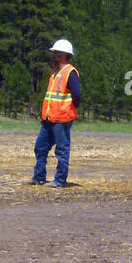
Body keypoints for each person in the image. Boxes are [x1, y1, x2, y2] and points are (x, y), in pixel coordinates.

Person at [31, 39, 80, 188]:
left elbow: (77, 95)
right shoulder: (54, 72)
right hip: (49, 117)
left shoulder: (70, 72)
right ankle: (39, 177)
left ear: (64, 54)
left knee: (62, 150)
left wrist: (70, 109)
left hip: (62, 118)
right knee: (40, 147)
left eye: (56, 52)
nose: (54, 55)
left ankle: (59, 180)